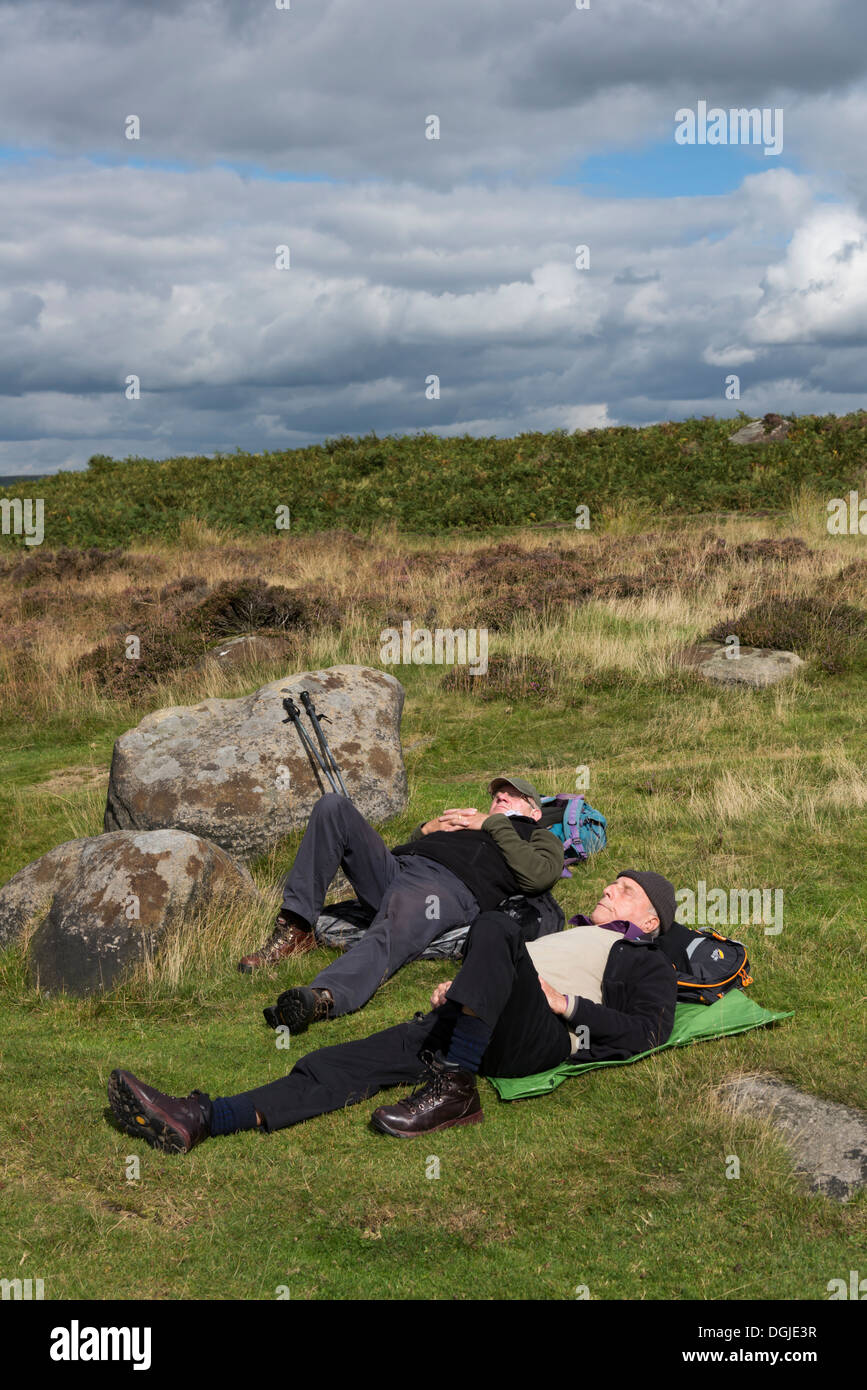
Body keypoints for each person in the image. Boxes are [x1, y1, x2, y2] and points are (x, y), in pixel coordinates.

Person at [107, 869, 678, 1153]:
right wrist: (471, 988)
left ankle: (455, 1092)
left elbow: (649, 1031)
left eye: (625, 890)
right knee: (335, 1063)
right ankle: (204, 1118)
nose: (608, 889)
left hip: (537, 1037)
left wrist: (568, 1003)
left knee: (498, 923)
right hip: (464, 1026)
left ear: (651, 921)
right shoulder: (566, 933)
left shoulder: (640, 957)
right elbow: (503, 965)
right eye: (612, 883)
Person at [236, 776, 564, 1032]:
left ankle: (324, 996)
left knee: (394, 925)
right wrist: (425, 829)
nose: (500, 797)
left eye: (512, 794)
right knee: (333, 806)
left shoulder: (538, 836)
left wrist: (494, 824)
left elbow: (538, 876)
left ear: (534, 811)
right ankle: (297, 927)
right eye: (496, 794)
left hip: (442, 888)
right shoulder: (468, 819)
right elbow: (413, 846)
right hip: (398, 868)